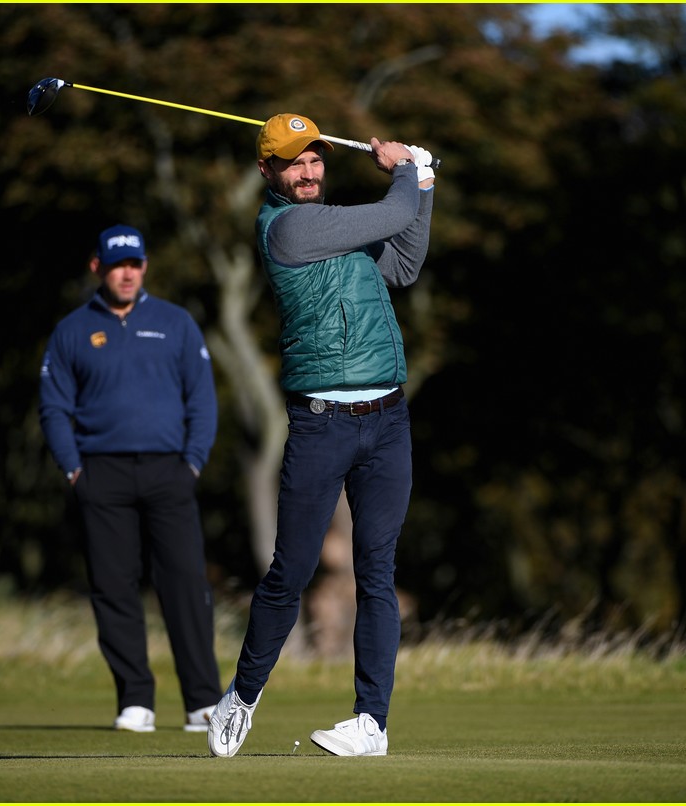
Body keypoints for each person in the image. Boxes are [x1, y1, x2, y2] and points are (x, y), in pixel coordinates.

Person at [207, 115, 435, 758]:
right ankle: (242, 697)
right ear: (268, 173)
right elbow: (392, 215)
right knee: (292, 571)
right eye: (292, 164)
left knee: (377, 572)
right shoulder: (291, 228)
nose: (307, 173)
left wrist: (423, 184)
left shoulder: (341, 228)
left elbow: (406, 263)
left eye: (314, 160)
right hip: (323, 423)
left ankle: (372, 723)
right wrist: (404, 172)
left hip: (388, 420)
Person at [39, 224, 222, 733]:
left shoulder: (176, 322)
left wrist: (192, 463)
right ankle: (135, 699)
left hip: (170, 471)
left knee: (185, 585)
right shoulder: (73, 330)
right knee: (114, 587)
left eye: (135, 264)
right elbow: (54, 407)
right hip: (102, 474)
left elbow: (202, 401)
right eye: (117, 264)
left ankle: (203, 701)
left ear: (145, 267)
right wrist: (75, 469)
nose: (127, 273)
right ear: (97, 266)